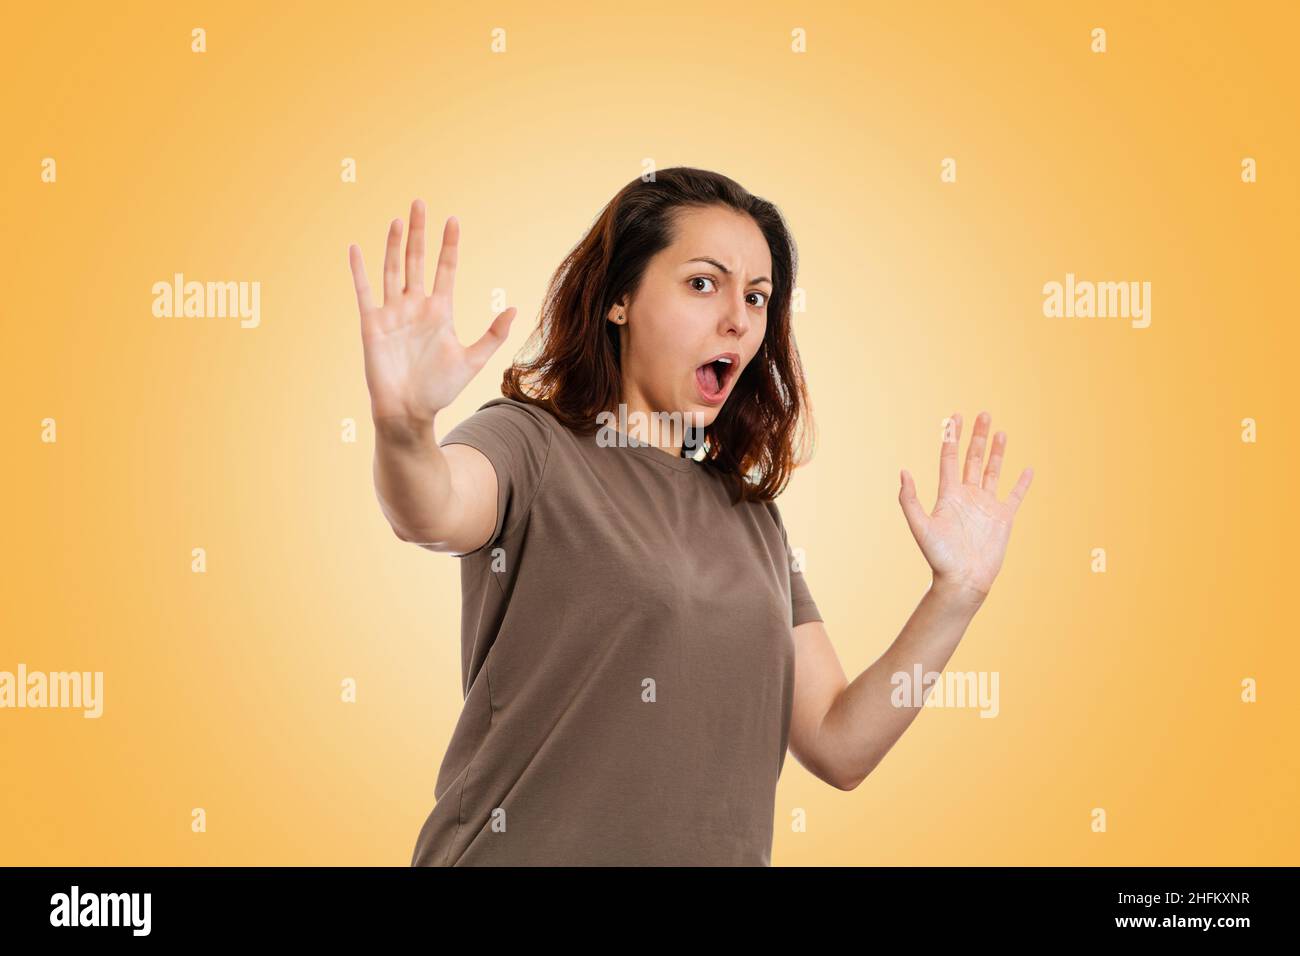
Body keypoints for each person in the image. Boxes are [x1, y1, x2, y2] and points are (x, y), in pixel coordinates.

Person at [345, 167, 1034, 866]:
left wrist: (956, 595)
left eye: (757, 296)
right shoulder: (530, 444)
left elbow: (838, 744)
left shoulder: (752, 518)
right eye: (703, 283)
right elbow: (430, 510)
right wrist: (403, 427)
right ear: (619, 300)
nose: (739, 317)